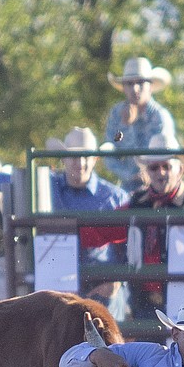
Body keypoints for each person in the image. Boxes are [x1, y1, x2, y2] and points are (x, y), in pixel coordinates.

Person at [46, 126, 131, 317]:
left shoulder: (115, 197)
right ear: (63, 159)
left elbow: (130, 249)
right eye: (75, 157)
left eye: (87, 157)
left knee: (107, 341)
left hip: (102, 285)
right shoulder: (47, 187)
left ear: (95, 159)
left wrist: (116, 282)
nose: (81, 163)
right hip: (58, 283)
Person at [124, 133, 184, 320]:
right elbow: (102, 231)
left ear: (179, 170)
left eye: (166, 166)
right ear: (147, 172)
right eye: (154, 167)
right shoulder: (137, 203)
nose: (160, 173)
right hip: (144, 301)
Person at [104, 57, 177, 192]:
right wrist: (129, 175)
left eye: (140, 83)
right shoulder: (116, 113)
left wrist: (129, 126)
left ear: (150, 86)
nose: (135, 89)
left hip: (158, 187)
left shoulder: (160, 117)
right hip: (126, 187)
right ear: (124, 88)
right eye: (129, 84)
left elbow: (161, 157)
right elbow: (109, 150)